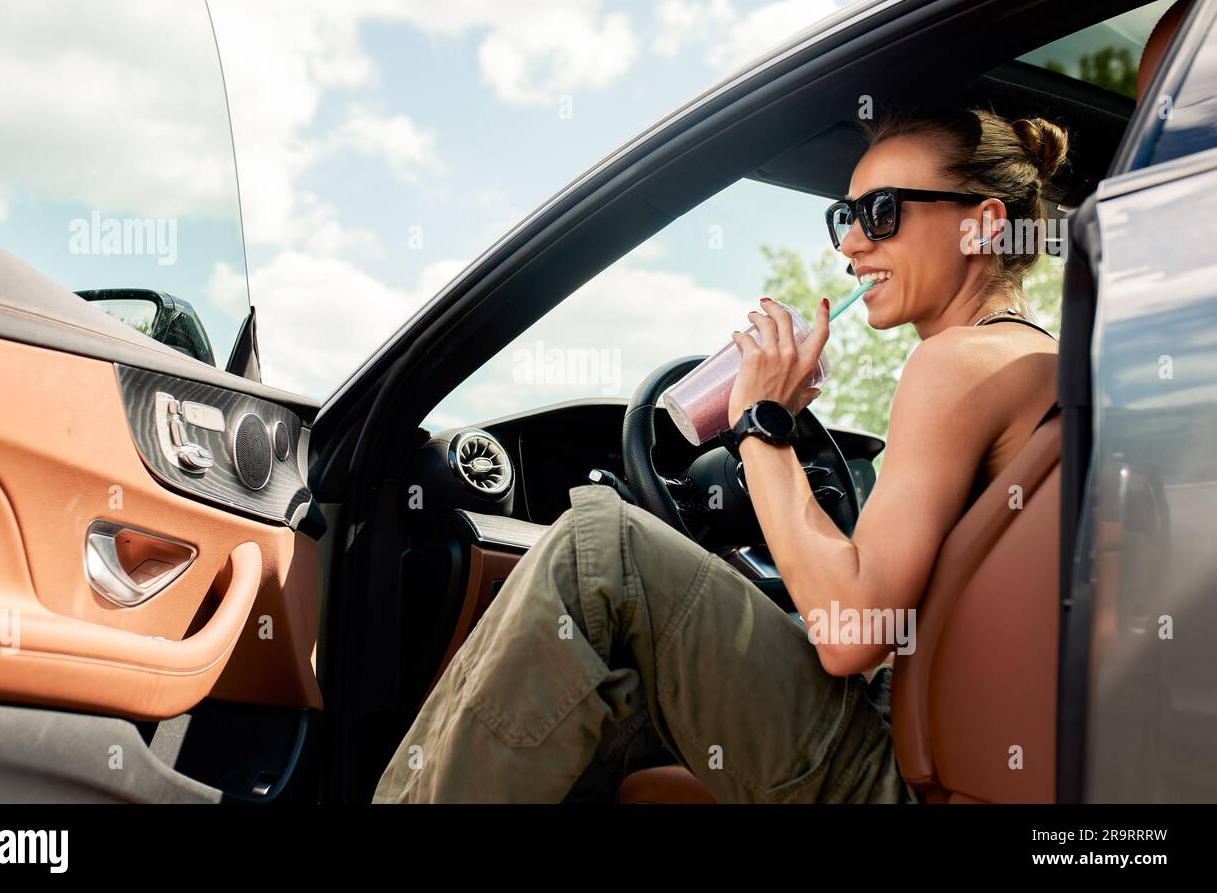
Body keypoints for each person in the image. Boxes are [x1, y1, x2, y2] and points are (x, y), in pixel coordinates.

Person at [372, 105, 1066, 803]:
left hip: (907, 767)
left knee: (599, 548)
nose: (851, 242)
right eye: (843, 215)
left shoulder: (957, 365)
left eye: (882, 211)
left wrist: (760, 424)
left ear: (984, 224)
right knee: (622, 692)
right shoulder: (1037, 362)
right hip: (945, 740)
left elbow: (852, 632)